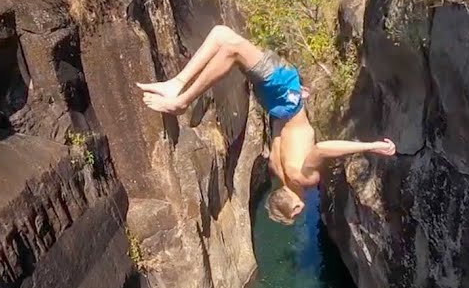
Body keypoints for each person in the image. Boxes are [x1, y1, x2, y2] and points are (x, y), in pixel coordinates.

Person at [137, 25, 396, 225]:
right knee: (222, 35)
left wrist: (370, 145)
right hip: (278, 102)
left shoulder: (303, 177)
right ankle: (178, 87)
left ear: (296, 207)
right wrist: (294, 99)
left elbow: (322, 148)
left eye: (298, 213)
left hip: (286, 97)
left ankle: (181, 99)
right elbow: (280, 132)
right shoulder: (276, 168)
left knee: (230, 48)